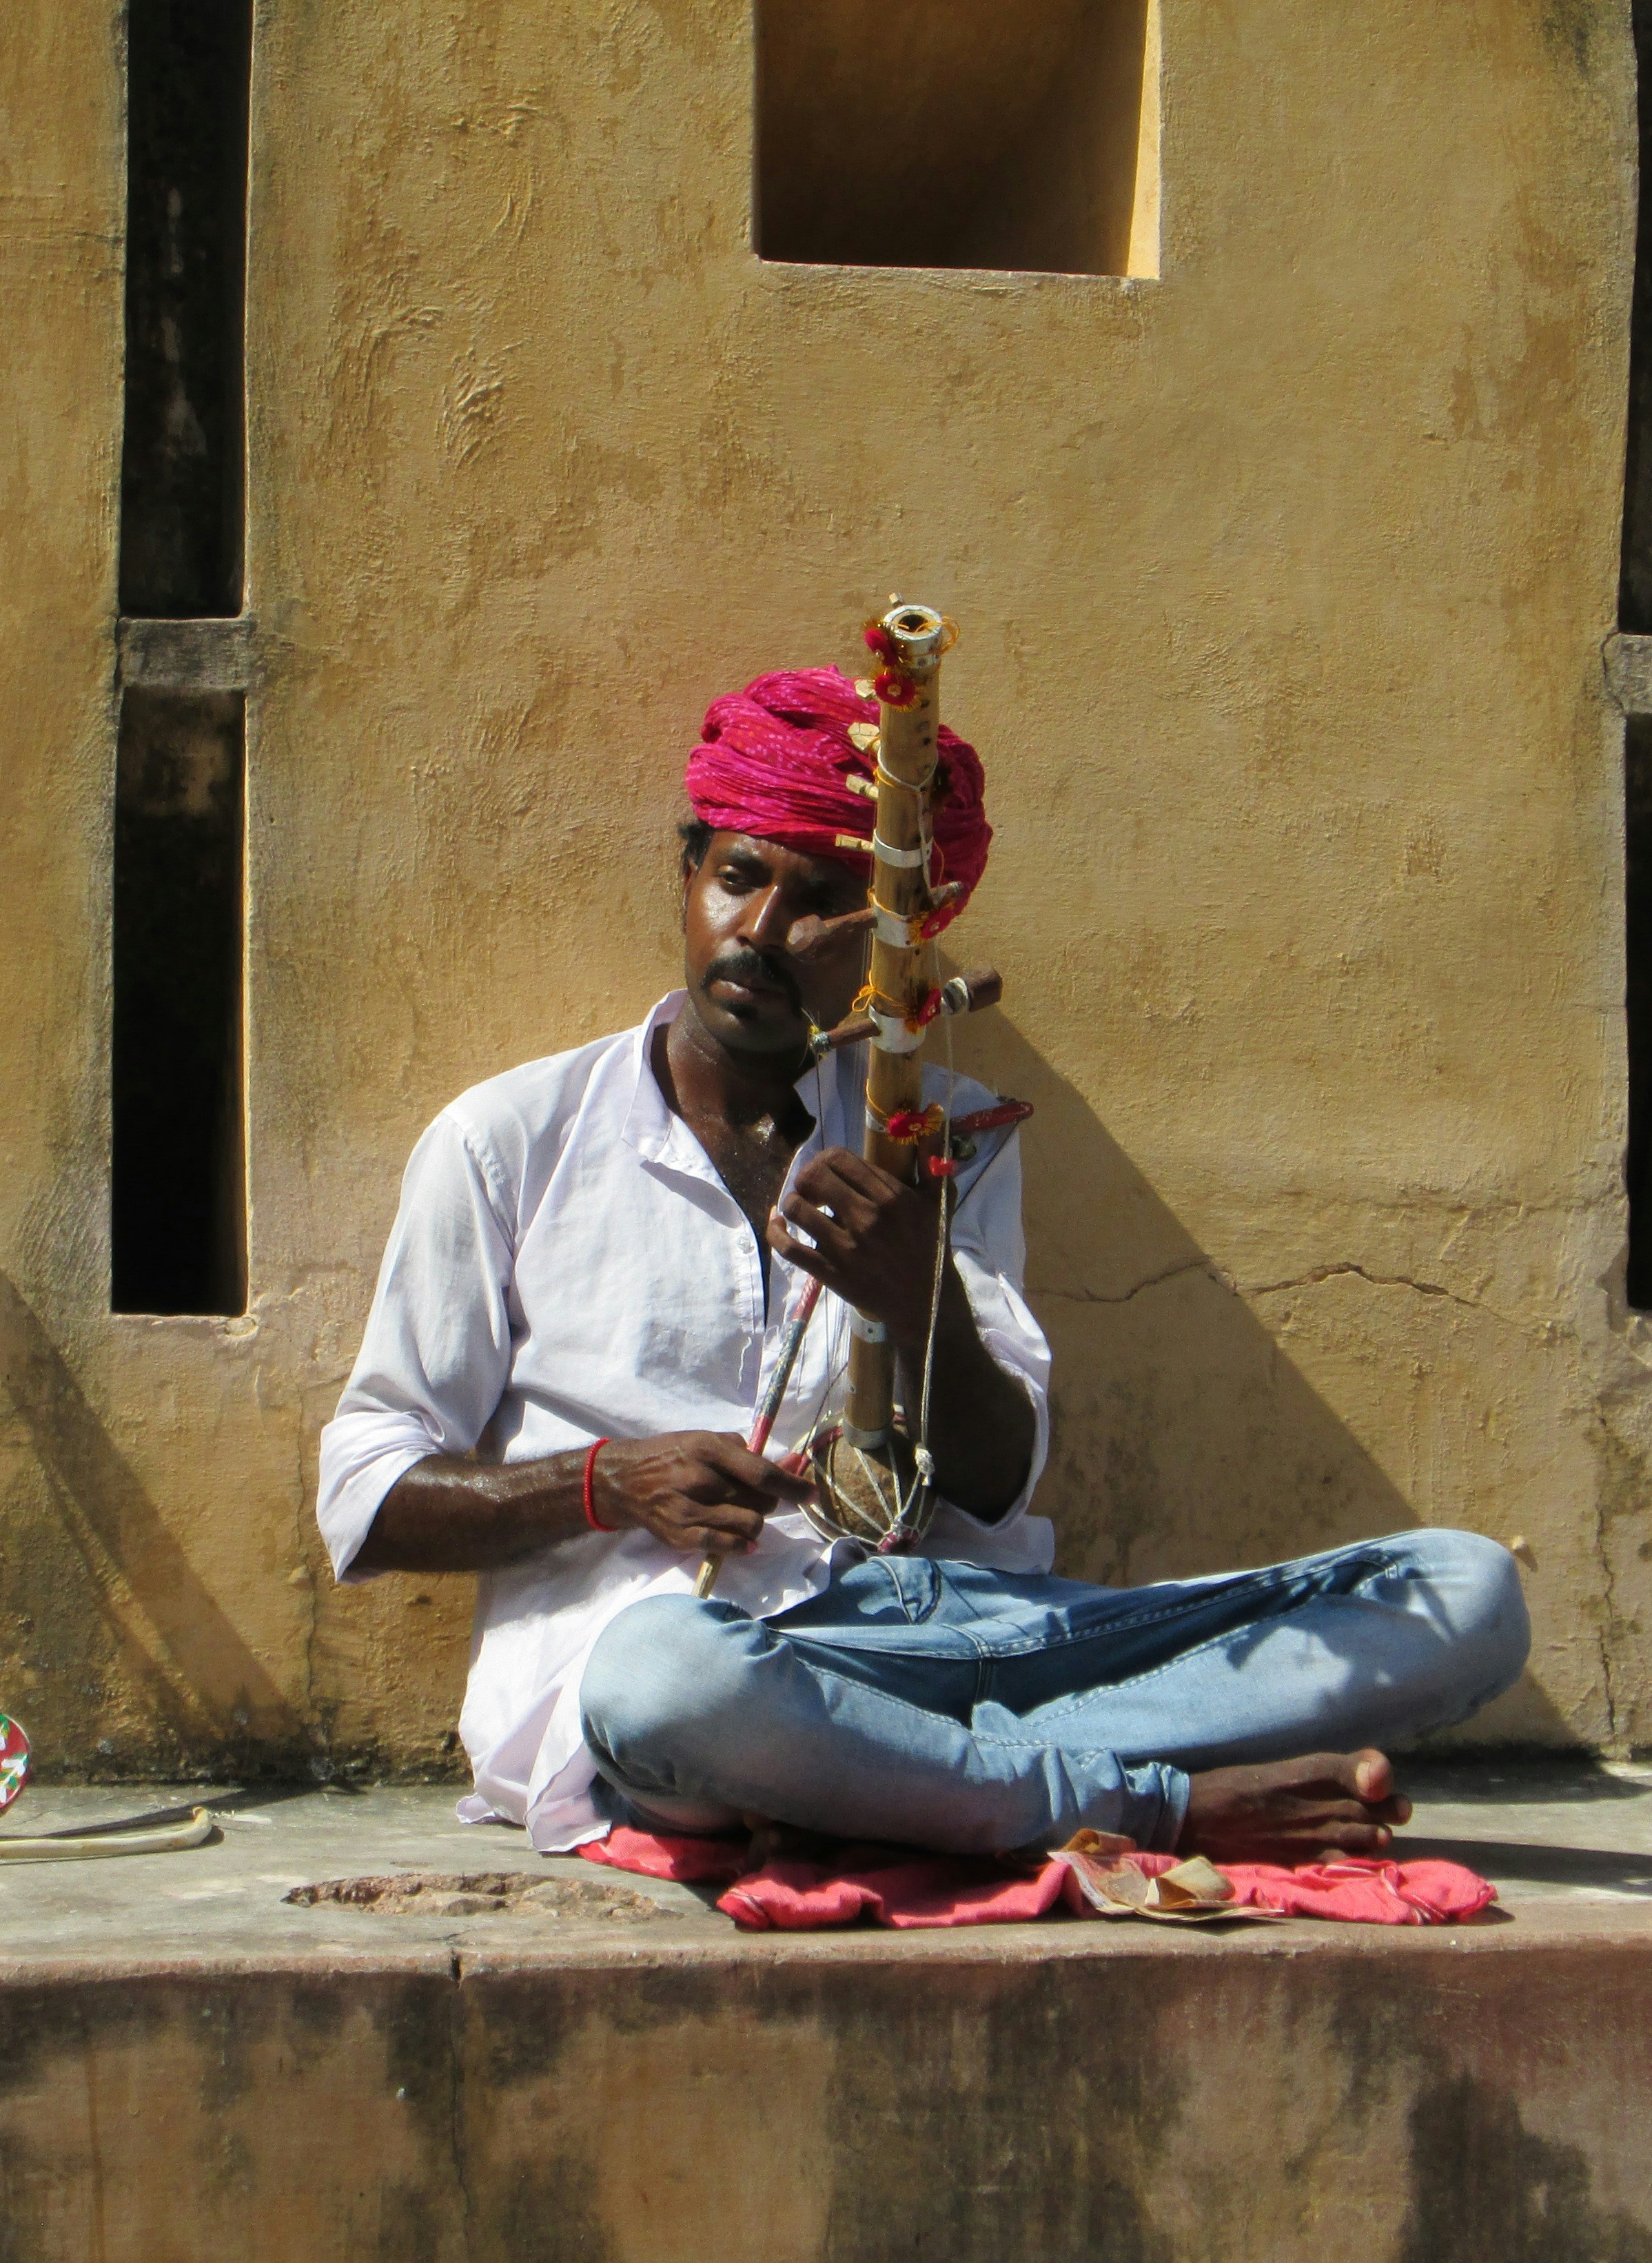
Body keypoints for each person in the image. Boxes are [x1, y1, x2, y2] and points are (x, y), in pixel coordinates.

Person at [316, 665, 1529, 1862]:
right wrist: (602, 1484)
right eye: (737, 878)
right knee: (663, 1683)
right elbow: (364, 1502)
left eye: (825, 901)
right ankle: (1139, 1803)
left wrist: (920, 1294)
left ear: (900, 946)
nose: (764, 934)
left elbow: (1000, 1482)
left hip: (963, 1639)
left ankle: (914, 1780)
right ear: (686, 875)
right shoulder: (507, 1141)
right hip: (700, 1658)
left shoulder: (942, 1134)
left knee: (1463, 1596)